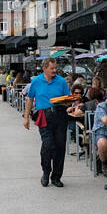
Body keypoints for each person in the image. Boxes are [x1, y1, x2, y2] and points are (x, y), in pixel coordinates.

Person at [24, 58, 72, 188]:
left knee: (59, 147)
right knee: (48, 145)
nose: (54, 70)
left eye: (55, 68)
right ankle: (46, 172)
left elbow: (68, 100)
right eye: (52, 68)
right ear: (44, 68)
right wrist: (26, 117)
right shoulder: (36, 81)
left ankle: (56, 177)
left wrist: (70, 103)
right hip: (44, 116)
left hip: (60, 115)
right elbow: (29, 99)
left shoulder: (61, 82)